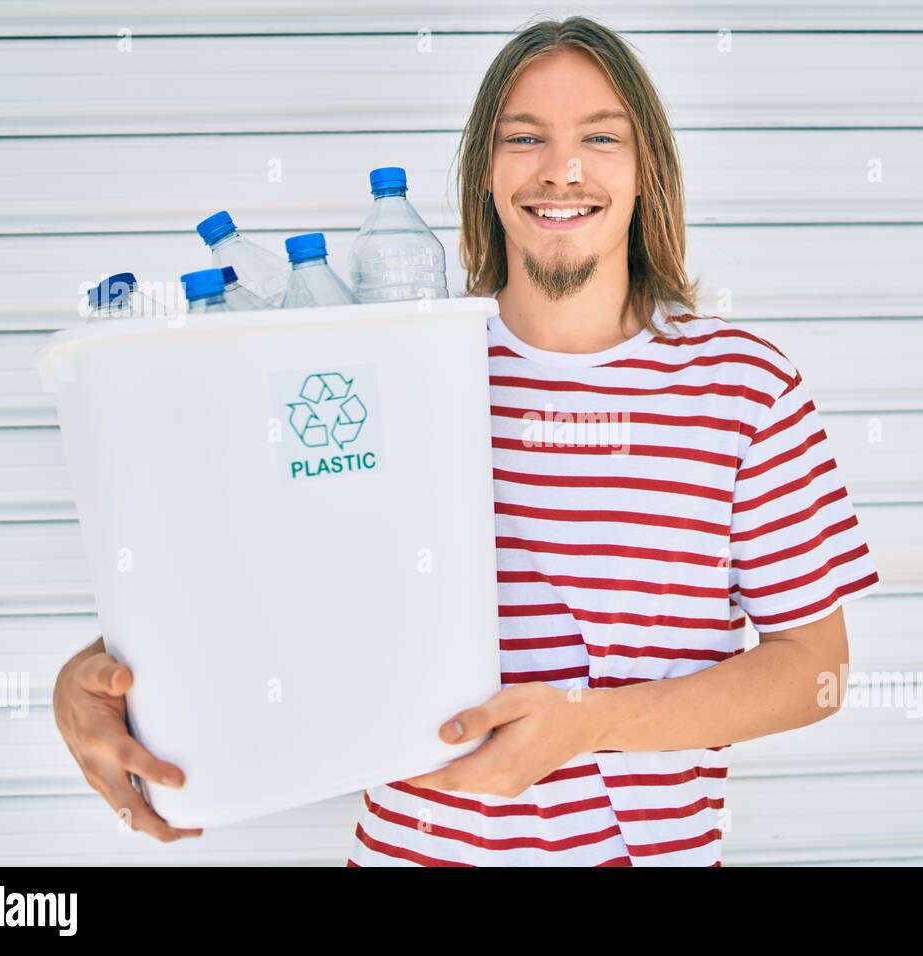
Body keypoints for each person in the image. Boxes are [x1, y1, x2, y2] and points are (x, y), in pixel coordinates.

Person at [52, 15, 880, 866]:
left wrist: (588, 727)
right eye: (526, 138)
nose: (563, 168)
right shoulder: (397, 365)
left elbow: (815, 667)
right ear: (485, 173)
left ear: (647, 172)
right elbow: (270, 569)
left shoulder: (742, 385)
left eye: (601, 136)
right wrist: (94, 679)